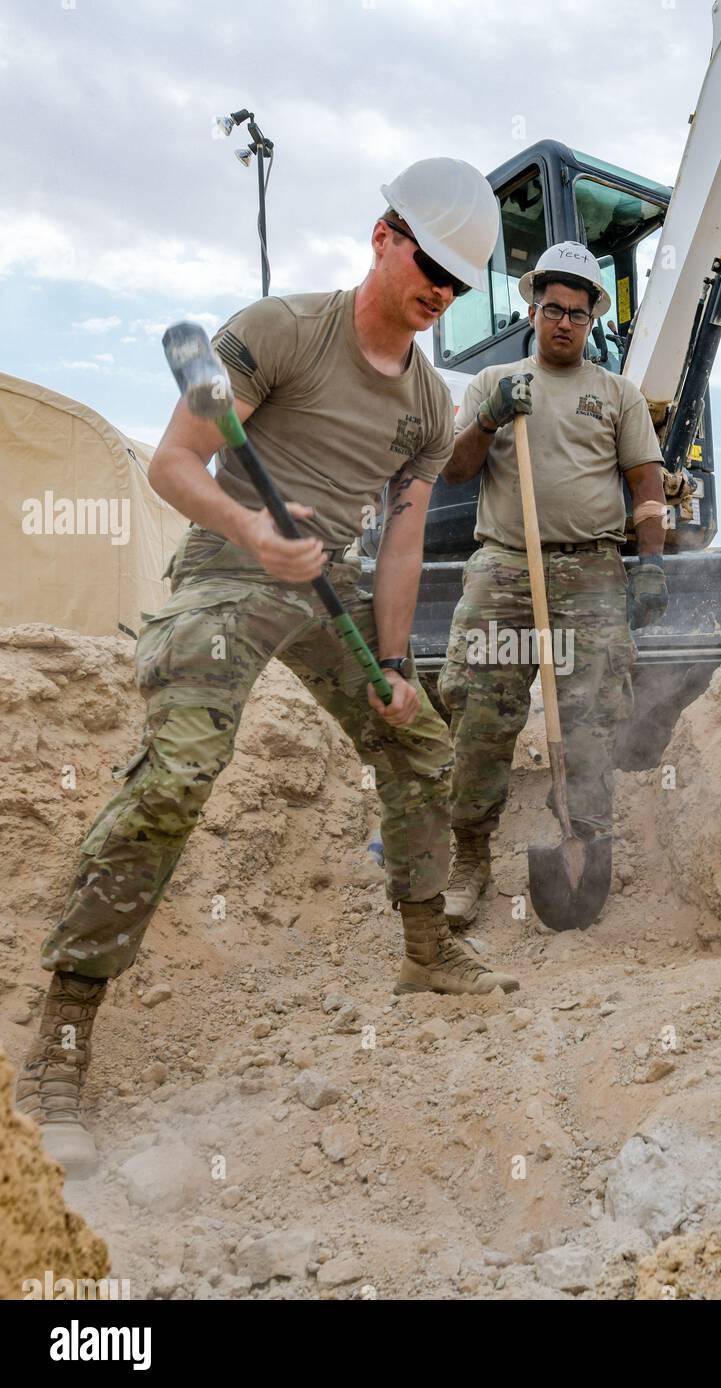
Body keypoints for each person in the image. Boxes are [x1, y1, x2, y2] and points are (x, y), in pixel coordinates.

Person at [16, 157, 520, 1180]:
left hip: (328, 581)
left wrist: (391, 663)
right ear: (385, 237)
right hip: (229, 568)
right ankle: (63, 1038)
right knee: (180, 774)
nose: (441, 293)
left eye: (460, 286)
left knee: (418, 737)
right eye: (431, 266)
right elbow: (174, 463)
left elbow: (404, 543)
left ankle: (426, 948)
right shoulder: (282, 330)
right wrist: (253, 528)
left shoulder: (429, 403)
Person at [437, 242, 668, 927]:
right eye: (551, 309)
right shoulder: (495, 384)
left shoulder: (616, 394)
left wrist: (648, 562)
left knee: (593, 717)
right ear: (532, 310)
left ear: (593, 317)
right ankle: (469, 860)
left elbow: (645, 485)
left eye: (577, 312)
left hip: (591, 568)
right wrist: (487, 418)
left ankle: (584, 839)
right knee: (479, 717)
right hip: (505, 563)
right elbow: (453, 472)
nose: (564, 322)